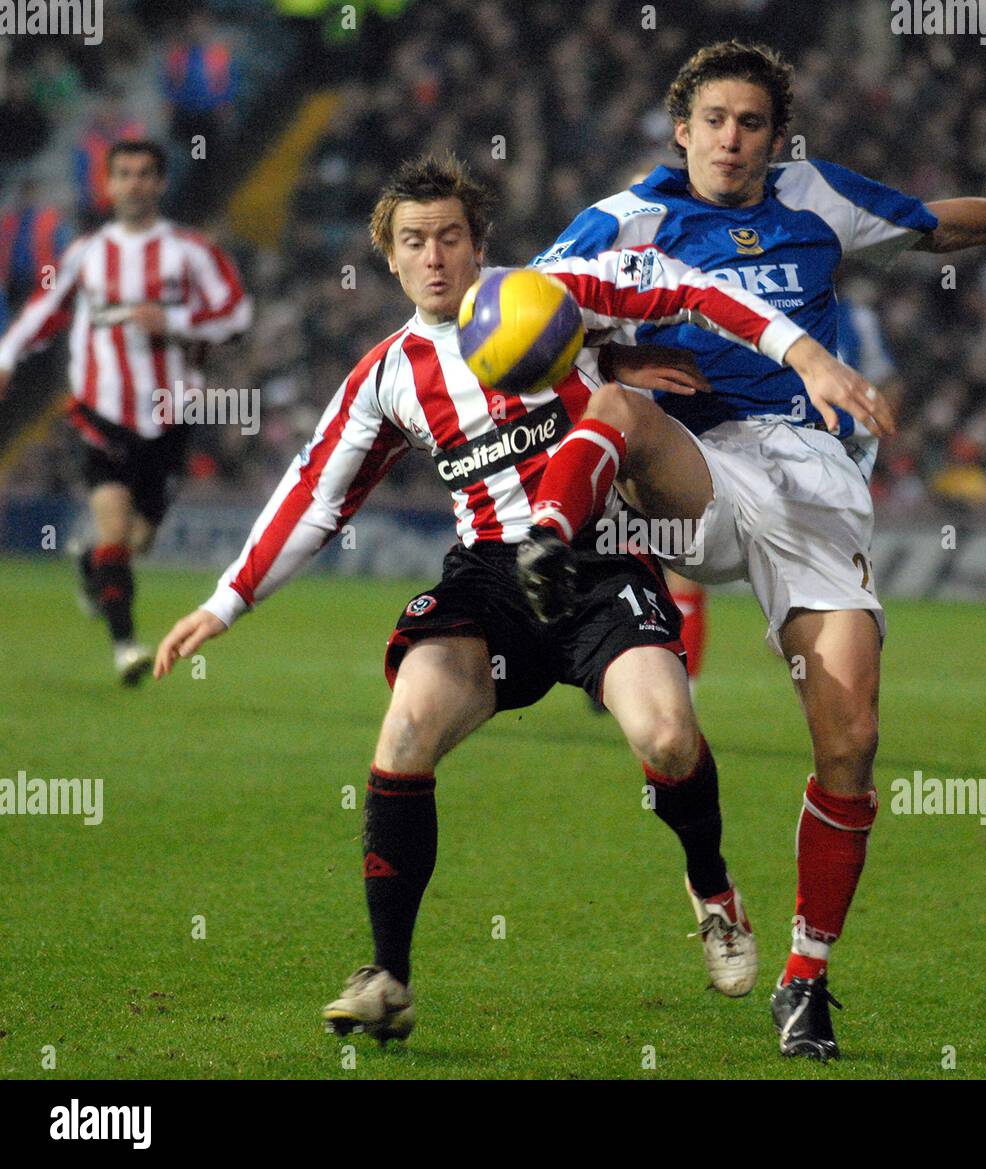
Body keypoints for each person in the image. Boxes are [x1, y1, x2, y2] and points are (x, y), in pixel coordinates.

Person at [151, 151, 855, 1042]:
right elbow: (315, 493)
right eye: (414, 241)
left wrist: (793, 349)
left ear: (479, 242)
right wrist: (225, 601)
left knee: (670, 739)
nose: (435, 255)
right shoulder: (390, 373)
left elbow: (685, 289)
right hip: (490, 578)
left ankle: (713, 889)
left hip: (597, 564)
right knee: (406, 729)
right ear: (392, 258)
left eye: (450, 235)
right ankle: (388, 977)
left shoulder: (556, 295)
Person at [518, 39, 986, 1060]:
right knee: (613, 406)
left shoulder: (816, 197)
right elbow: (522, 315)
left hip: (816, 484)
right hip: (693, 464)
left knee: (851, 739)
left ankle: (804, 975)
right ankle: (557, 545)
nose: (732, 140)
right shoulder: (630, 216)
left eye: (751, 124)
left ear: (776, 137)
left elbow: (932, 224)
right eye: (715, 121)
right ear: (682, 128)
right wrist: (614, 352)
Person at [0, 140, 251, 683]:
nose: (134, 183)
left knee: (138, 540)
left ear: (159, 183)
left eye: (144, 174)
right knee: (114, 527)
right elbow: (45, 310)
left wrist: (176, 323)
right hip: (101, 410)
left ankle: (93, 565)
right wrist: (5, 356)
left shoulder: (189, 251)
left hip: (168, 416)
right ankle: (126, 647)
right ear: (108, 184)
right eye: (124, 174)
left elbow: (236, 314)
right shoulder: (86, 254)